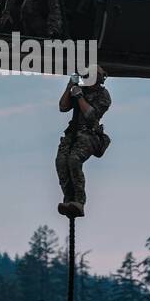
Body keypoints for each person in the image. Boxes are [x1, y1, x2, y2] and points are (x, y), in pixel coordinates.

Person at [55, 69, 110, 218]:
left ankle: (79, 201)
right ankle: (68, 200)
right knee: (61, 161)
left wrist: (79, 96)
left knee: (74, 160)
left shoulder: (103, 95)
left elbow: (91, 115)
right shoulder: (82, 89)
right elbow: (63, 107)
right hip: (73, 133)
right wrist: (69, 87)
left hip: (89, 135)